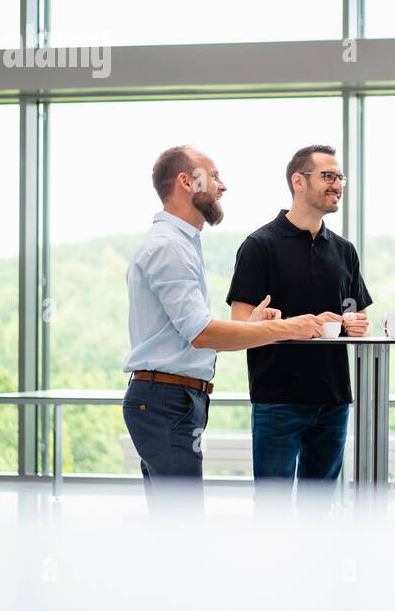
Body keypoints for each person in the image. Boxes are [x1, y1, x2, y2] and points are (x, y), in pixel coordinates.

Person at [123, 145, 330, 511]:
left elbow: (191, 335)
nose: (223, 185)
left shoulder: (182, 244)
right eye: (214, 176)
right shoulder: (169, 247)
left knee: (172, 526)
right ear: (187, 182)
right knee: (182, 527)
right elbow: (202, 333)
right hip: (166, 400)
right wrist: (288, 330)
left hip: (174, 400)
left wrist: (250, 327)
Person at [226, 144, 372, 501]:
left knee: (319, 511)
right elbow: (240, 324)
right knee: (272, 510)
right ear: (298, 181)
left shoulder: (344, 250)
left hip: (334, 400)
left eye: (340, 177)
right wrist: (289, 324)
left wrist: (357, 323)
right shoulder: (259, 246)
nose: (337, 184)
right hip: (278, 400)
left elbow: (359, 313)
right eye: (328, 176)